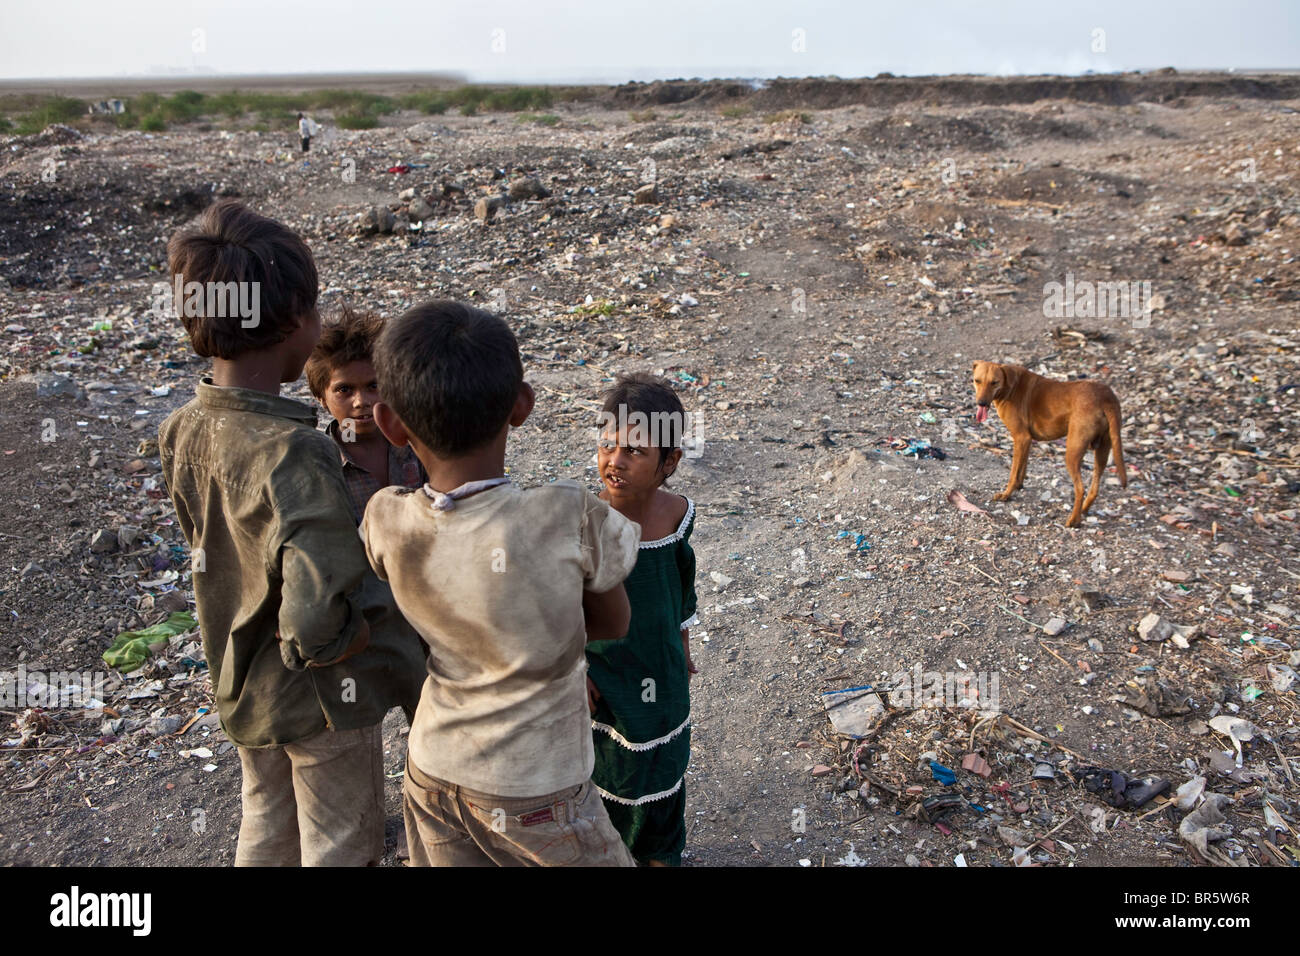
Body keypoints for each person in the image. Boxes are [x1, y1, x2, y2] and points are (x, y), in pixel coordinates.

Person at [158, 199, 414, 866]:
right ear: (297, 320)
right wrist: (353, 636)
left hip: (241, 680)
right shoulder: (294, 452)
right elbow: (316, 611)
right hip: (322, 699)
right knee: (342, 842)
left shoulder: (182, 429)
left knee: (268, 827)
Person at [360, 300, 640, 866]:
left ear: (389, 423)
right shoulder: (566, 515)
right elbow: (614, 621)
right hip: (537, 783)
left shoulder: (386, 519)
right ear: (522, 406)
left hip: (434, 768)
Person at [585, 372, 698, 865]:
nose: (615, 460)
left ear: (669, 462)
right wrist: (576, 668)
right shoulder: (587, 522)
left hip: (663, 665)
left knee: (664, 763)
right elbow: (565, 607)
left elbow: (681, 587)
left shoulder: (676, 516)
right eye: (608, 445)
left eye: (634, 451)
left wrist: (683, 645)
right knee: (610, 767)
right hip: (605, 672)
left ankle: (658, 852)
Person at [304, 304, 428, 723]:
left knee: (431, 714)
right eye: (344, 390)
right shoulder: (317, 466)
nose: (362, 402)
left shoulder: (418, 449)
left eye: (374, 385)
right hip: (364, 616)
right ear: (321, 396)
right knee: (356, 723)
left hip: (428, 605)